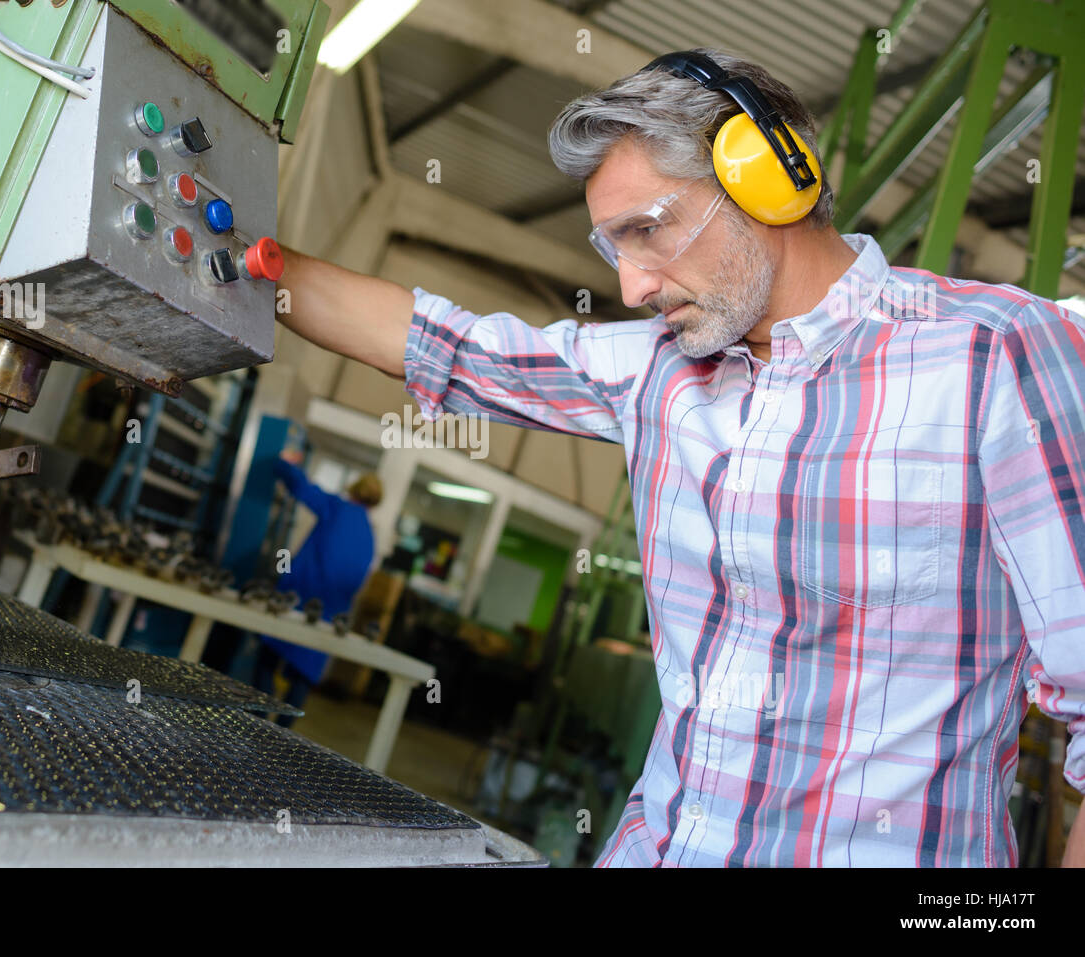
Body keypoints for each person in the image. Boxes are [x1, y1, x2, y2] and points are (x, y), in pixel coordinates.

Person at [270, 48, 1085, 867]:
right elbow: (451, 346)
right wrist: (237, 261)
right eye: (611, 247)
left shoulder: (994, 356)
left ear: (770, 178)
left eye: (648, 230)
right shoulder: (655, 369)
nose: (630, 286)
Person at [254, 451, 382, 727]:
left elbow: (301, 487)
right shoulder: (370, 538)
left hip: (296, 600)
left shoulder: (337, 508)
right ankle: (277, 741)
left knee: (267, 661)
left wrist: (285, 461)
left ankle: (256, 725)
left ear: (355, 490)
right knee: (300, 679)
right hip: (326, 616)